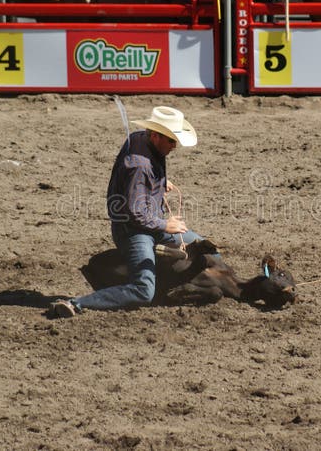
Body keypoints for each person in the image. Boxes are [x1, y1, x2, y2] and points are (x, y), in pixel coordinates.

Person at [50, 106, 206, 317]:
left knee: (202, 246)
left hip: (147, 220)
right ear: (156, 135)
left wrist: (158, 182)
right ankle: (77, 303)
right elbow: (136, 213)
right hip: (133, 230)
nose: (174, 146)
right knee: (143, 291)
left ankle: (161, 255)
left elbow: (135, 182)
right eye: (171, 140)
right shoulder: (139, 166)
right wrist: (164, 225)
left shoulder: (139, 139)